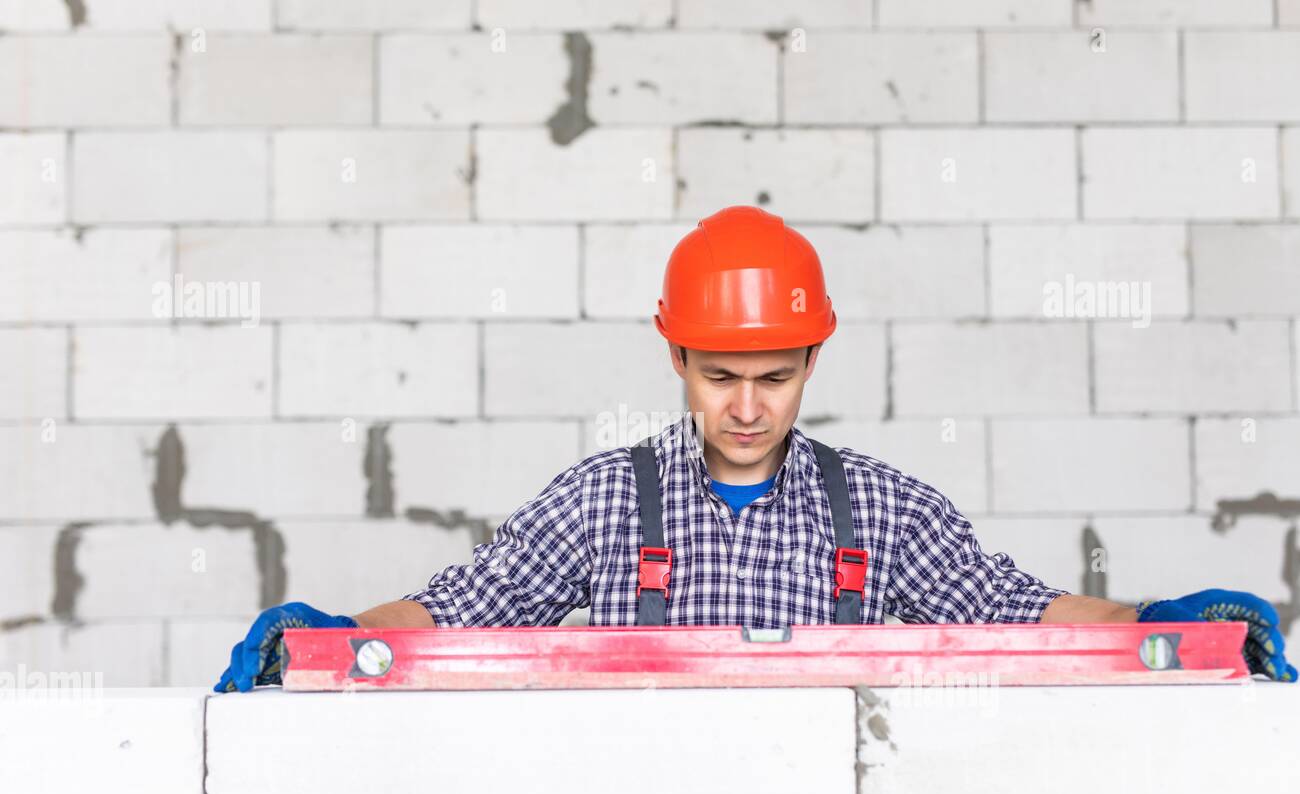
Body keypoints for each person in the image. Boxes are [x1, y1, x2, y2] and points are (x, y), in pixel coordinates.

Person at [215, 206, 1295, 692]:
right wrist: (328, 636)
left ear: (811, 362)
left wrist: (1161, 623)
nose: (744, 406)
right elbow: (467, 605)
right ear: (674, 357)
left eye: (773, 378)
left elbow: (1016, 606)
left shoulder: (887, 512)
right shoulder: (602, 502)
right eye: (719, 376)